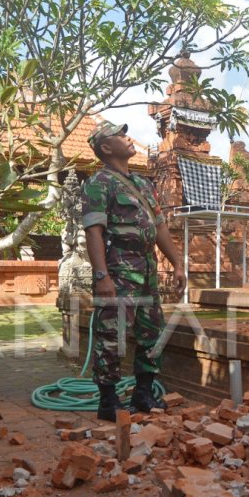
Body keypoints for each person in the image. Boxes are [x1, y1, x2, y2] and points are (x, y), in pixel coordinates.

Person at [81, 122, 186, 420]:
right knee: (111, 334)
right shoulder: (98, 184)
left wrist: (177, 263)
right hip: (118, 271)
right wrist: (101, 276)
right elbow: (94, 232)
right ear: (105, 147)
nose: (128, 139)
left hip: (147, 271)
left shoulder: (143, 184)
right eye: (120, 136)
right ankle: (108, 401)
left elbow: (160, 227)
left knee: (152, 333)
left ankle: (143, 393)